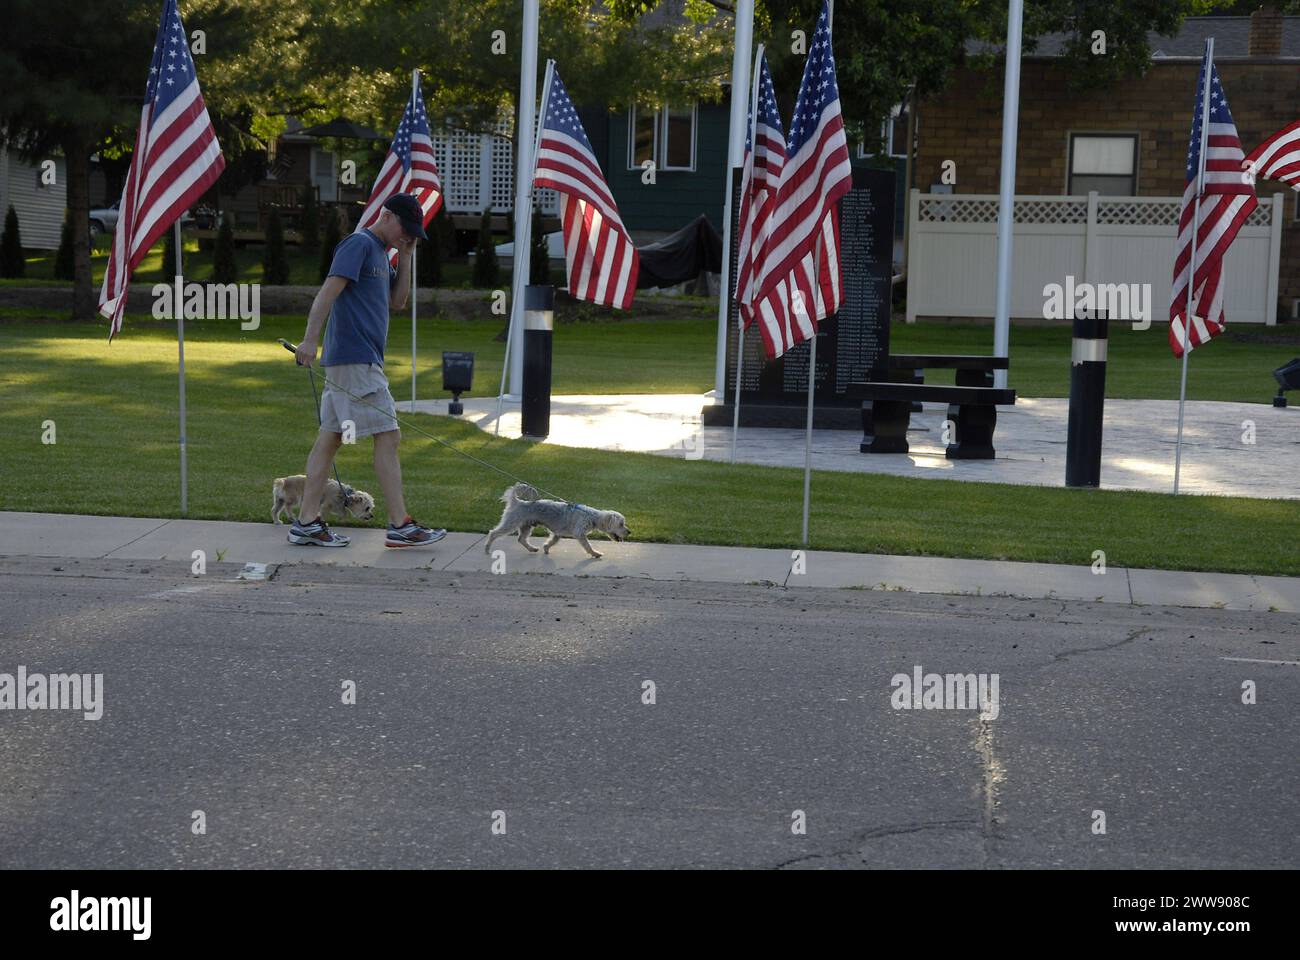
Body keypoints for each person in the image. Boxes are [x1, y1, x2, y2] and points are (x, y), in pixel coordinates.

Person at [288, 193, 446, 549]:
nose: (407, 235)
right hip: (354, 359)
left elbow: (398, 301)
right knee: (388, 436)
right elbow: (327, 294)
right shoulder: (358, 244)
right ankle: (400, 524)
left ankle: (307, 522)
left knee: (330, 439)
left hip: (359, 360)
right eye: (405, 229)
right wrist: (310, 340)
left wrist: (405, 257)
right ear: (386, 216)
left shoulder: (382, 253)